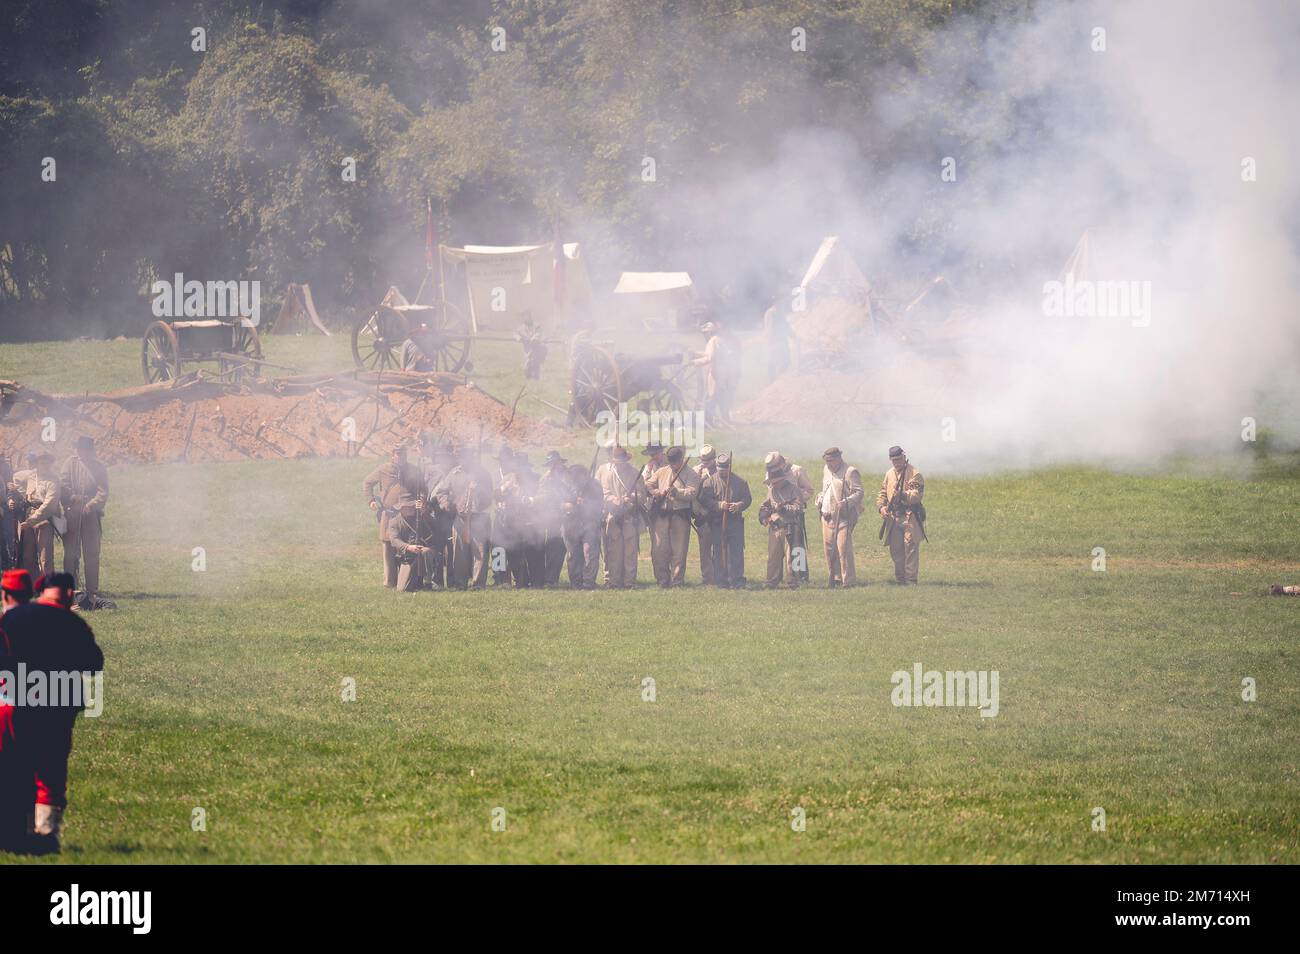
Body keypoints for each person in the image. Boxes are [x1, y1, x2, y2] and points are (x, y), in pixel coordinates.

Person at [0, 571, 104, 854]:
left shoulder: (13, 618)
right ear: (69, 595)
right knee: (50, 769)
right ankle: (45, 832)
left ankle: (13, 832)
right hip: (59, 704)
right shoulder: (75, 624)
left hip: (20, 701)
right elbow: (94, 664)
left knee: (15, 765)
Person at [59, 436, 110, 609]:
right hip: (72, 513)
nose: (82, 452)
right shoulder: (69, 464)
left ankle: (92, 592)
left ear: (91, 450)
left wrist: (91, 504)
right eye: (80, 448)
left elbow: (103, 491)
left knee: (92, 554)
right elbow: (63, 485)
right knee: (71, 555)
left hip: (91, 515)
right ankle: (70, 592)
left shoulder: (99, 467)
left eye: (86, 449)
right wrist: (73, 499)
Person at [432, 447, 494, 589]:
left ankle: (478, 583)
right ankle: (460, 583)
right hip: (459, 517)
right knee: (459, 552)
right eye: (461, 457)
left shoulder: (483, 474)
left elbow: (489, 497)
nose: (463, 460)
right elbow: (441, 492)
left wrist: (477, 492)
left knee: (480, 552)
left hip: (479, 517)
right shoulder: (454, 473)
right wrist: (446, 504)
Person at [362, 444, 422, 588]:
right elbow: (367, 482)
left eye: (403, 453)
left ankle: (407, 579)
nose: (401, 456)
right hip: (389, 514)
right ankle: (390, 581)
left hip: (408, 515)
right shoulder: (384, 469)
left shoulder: (414, 470)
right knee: (388, 546)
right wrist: (371, 500)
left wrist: (421, 501)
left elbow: (422, 488)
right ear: (393, 455)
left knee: (406, 545)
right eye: (398, 453)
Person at [646, 446, 700, 587]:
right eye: (671, 461)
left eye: (675, 461)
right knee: (659, 550)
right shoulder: (662, 471)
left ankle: (677, 581)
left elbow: (692, 492)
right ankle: (662, 580)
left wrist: (677, 492)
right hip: (662, 515)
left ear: (681, 460)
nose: (673, 464)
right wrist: (657, 492)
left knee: (679, 551)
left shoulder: (691, 474)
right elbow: (648, 484)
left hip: (680, 516)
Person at [699, 452, 752, 588]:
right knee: (718, 551)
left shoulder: (740, 482)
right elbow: (704, 499)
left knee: (736, 552)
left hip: (735, 523)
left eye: (725, 470)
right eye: (720, 470)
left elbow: (747, 499)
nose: (723, 472)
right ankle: (721, 580)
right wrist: (718, 505)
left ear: (729, 468)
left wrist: (739, 505)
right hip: (717, 523)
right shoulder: (709, 482)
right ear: (716, 467)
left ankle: (737, 580)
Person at [876, 445, 926, 585]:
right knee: (896, 549)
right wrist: (881, 508)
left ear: (904, 457)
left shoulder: (915, 474)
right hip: (893, 516)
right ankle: (900, 579)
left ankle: (911, 580)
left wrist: (903, 494)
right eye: (894, 460)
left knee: (910, 547)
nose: (897, 462)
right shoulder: (889, 474)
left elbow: (916, 496)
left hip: (910, 515)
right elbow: (882, 493)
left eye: (899, 459)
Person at [816, 447, 864, 587]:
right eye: (826, 461)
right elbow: (826, 488)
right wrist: (820, 498)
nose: (828, 464)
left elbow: (859, 492)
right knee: (829, 549)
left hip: (843, 516)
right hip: (826, 515)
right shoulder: (826, 469)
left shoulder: (850, 472)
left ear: (838, 459)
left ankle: (848, 581)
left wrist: (846, 502)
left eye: (830, 461)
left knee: (843, 549)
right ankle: (835, 577)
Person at [597, 446, 644, 589]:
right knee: (613, 551)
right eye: (617, 461)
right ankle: (613, 582)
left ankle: (629, 582)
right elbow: (602, 493)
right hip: (613, 516)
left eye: (622, 461)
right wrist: (618, 501)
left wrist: (632, 498)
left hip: (630, 516)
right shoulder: (605, 473)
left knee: (630, 552)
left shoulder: (635, 473)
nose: (620, 464)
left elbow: (642, 494)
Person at [759, 453, 808, 589]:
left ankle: (794, 582)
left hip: (790, 527)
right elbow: (765, 505)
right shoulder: (772, 490)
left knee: (792, 557)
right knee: (773, 557)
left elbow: (798, 508)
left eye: (774, 482)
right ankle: (771, 581)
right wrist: (764, 517)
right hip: (775, 527)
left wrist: (783, 508)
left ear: (781, 480)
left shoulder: (794, 489)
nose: (772, 485)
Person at [17, 452, 60, 579]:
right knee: (28, 556)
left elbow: (49, 505)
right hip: (28, 517)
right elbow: (16, 477)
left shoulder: (53, 481)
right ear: (37, 463)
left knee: (45, 558)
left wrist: (31, 521)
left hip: (44, 520)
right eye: (41, 462)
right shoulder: (30, 476)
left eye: (47, 462)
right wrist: (16, 489)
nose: (44, 465)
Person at [562, 464, 603, 589]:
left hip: (589, 523)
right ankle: (576, 583)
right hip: (571, 523)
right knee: (573, 555)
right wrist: (574, 502)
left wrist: (586, 502)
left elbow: (599, 504)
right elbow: (560, 504)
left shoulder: (595, 486)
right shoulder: (566, 486)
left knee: (589, 553)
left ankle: (588, 583)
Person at [692, 322, 740, 426]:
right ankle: (725, 418)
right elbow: (710, 353)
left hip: (716, 372)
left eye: (705, 333)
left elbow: (710, 358)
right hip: (725, 372)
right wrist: (696, 353)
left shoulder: (712, 341)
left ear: (709, 333)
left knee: (711, 397)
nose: (704, 335)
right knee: (722, 396)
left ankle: (708, 421)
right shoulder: (719, 340)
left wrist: (695, 362)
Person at [536, 451, 571, 587]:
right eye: (551, 464)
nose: (554, 466)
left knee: (567, 549)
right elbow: (543, 498)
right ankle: (550, 579)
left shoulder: (569, 476)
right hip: (553, 518)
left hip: (570, 517)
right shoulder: (545, 479)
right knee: (552, 549)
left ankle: (576, 579)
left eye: (556, 463)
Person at [388, 498, 438, 591]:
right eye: (408, 507)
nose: (411, 509)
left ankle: (427, 582)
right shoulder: (394, 521)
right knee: (403, 589)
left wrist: (422, 544)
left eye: (412, 507)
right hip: (406, 555)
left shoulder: (419, 518)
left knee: (427, 552)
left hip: (421, 551)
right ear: (401, 508)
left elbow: (429, 536)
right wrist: (408, 547)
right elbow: (394, 540)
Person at [693, 445, 719, 585]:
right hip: (702, 515)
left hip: (717, 514)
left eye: (707, 460)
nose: (705, 463)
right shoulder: (696, 471)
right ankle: (707, 578)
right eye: (703, 460)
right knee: (704, 550)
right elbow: (693, 494)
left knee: (719, 548)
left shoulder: (720, 470)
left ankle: (719, 576)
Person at [1, 456, 25, 572]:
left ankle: (9, 573)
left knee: (9, 544)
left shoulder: (5, 466)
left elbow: (10, 486)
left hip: (6, 511)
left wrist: (9, 499)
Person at [517, 314, 548, 380]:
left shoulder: (537, 326)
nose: (524, 319)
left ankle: (536, 378)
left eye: (526, 317)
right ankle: (528, 378)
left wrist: (534, 339)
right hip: (527, 349)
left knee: (535, 363)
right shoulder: (521, 328)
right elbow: (516, 334)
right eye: (523, 317)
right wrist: (519, 338)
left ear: (530, 317)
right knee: (528, 363)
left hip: (537, 347)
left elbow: (538, 334)